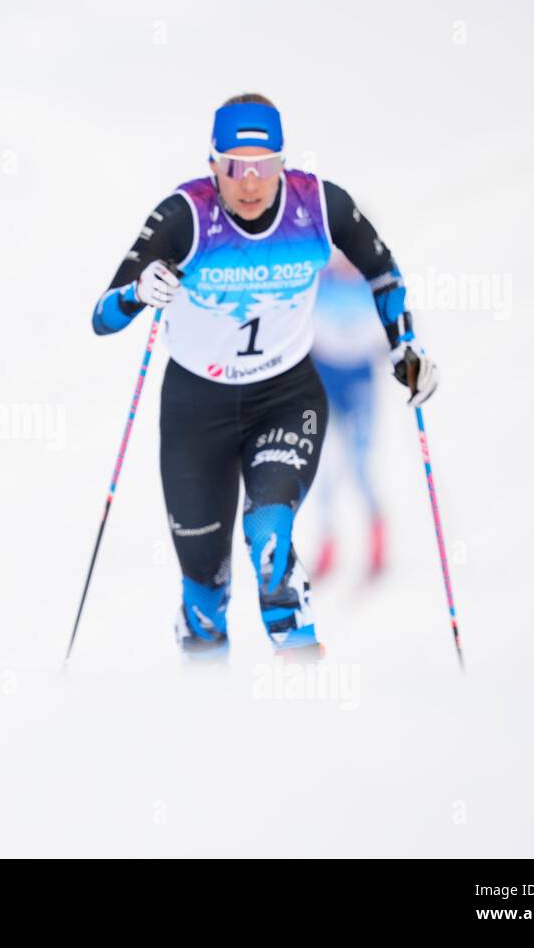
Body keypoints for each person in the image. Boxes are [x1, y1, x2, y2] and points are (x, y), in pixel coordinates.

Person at [91, 94, 438, 659]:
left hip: (284, 394)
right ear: (213, 165)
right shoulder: (184, 215)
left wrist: (407, 347)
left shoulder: (320, 206)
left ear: (283, 163)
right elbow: (102, 317)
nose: (249, 184)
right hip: (195, 410)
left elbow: (382, 270)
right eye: (234, 167)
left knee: (268, 532)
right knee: (205, 583)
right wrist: (136, 293)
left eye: (263, 167)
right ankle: (208, 701)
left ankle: (299, 666)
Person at [309, 252, 389, 581]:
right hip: (325, 384)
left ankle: (377, 543)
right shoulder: (318, 284)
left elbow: (390, 332)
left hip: (358, 385)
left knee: (360, 466)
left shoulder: (373, 285)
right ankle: (327, 547)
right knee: (323, 468)